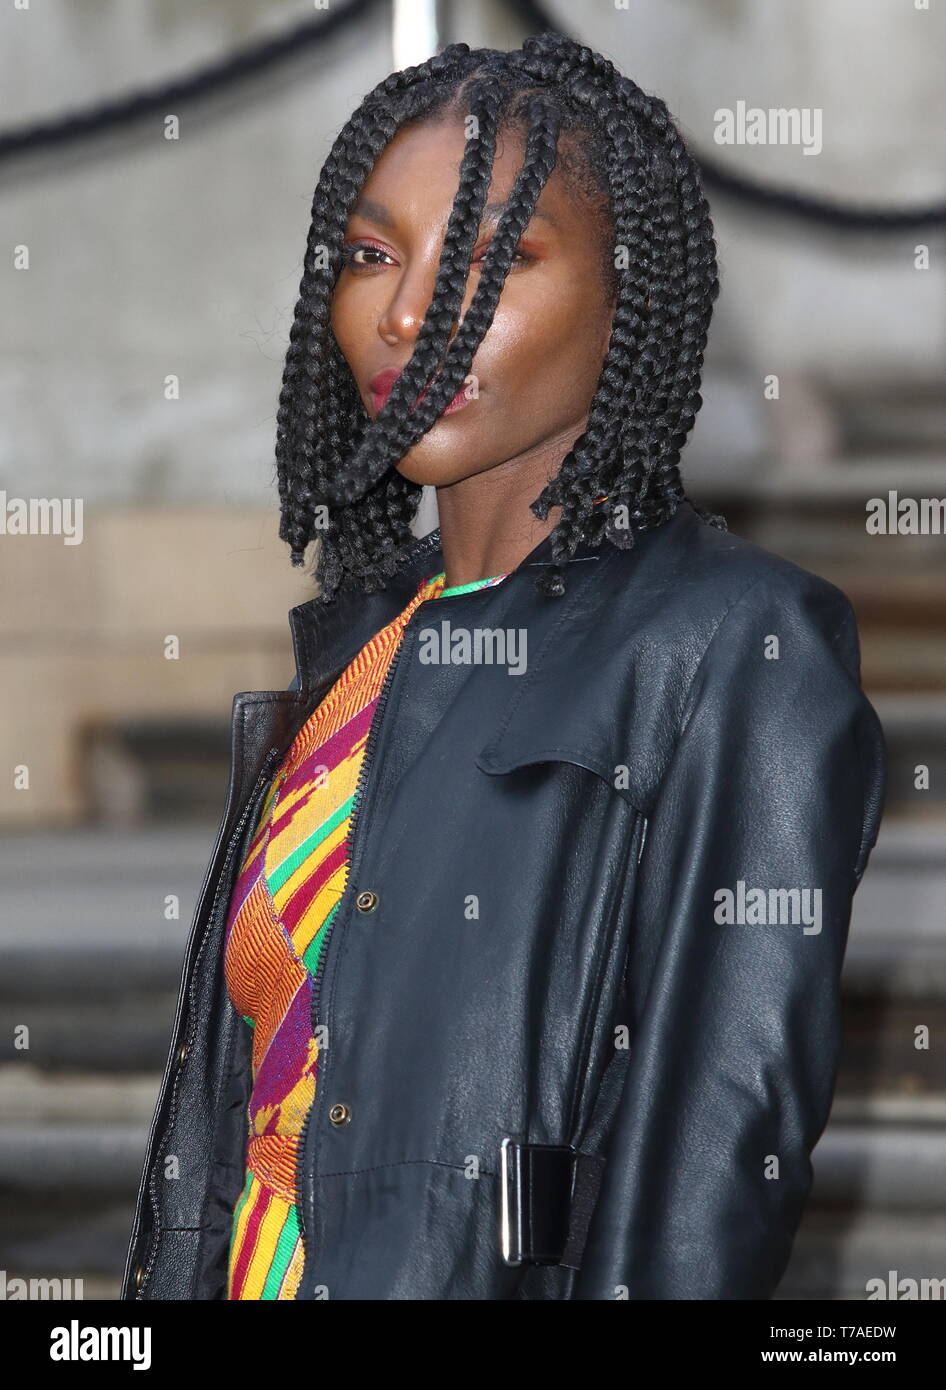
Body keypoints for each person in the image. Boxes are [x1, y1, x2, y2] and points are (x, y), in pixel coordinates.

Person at [121, 30, 886, 1301]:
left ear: (625, 296)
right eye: (375, 255)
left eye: (492, 258)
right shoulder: (359, 653)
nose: (408, 311)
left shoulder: (736, 645)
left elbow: (712, 1162)